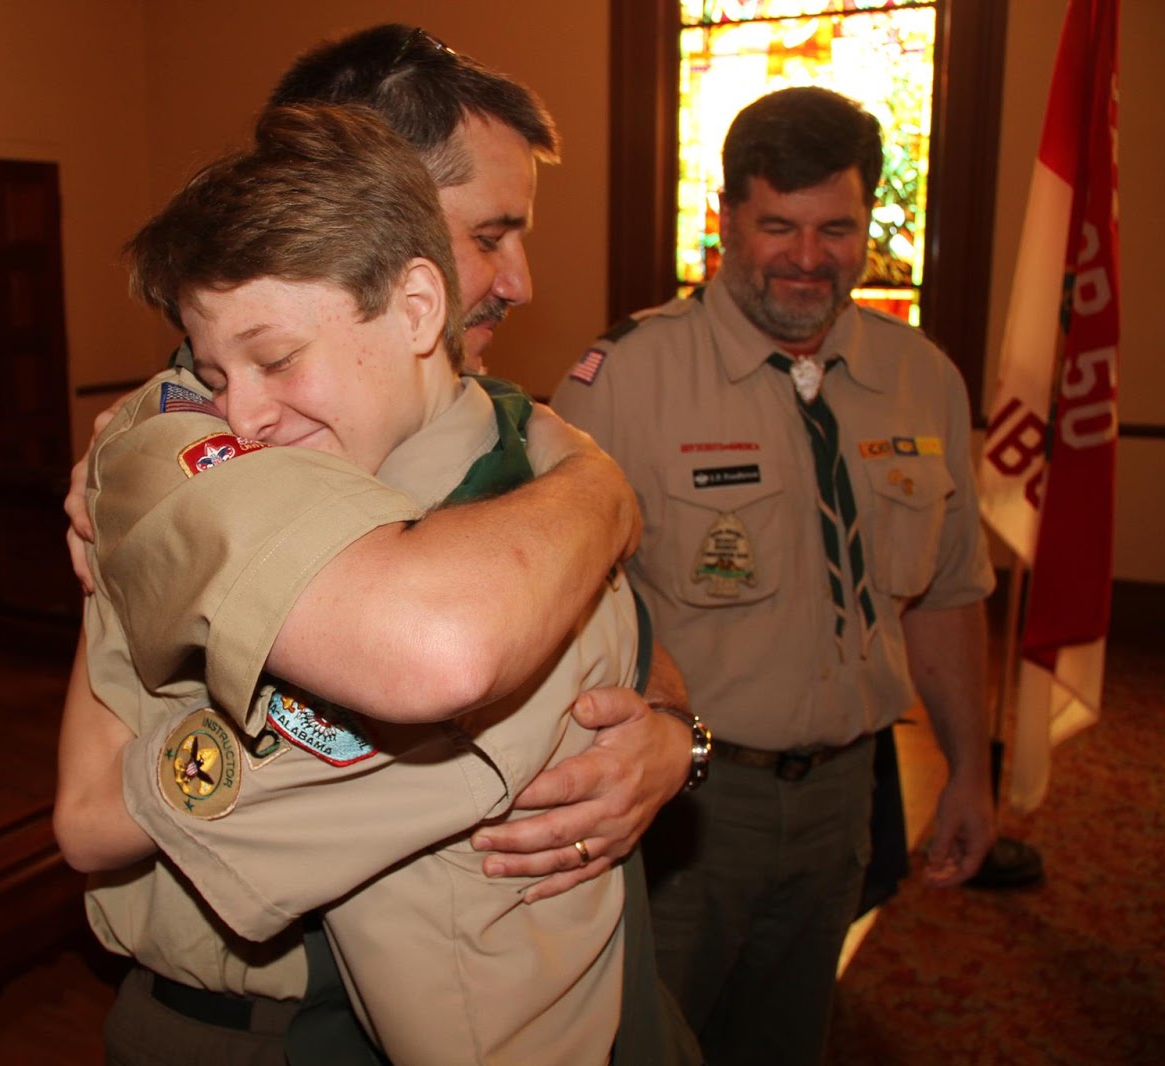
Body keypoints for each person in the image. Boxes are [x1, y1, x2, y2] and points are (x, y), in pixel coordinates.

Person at [60, 104, 698, 1066]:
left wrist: (130, 549)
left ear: (416, 308)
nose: (238, 414)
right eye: (208, 372)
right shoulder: (517, 454)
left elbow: (93, 817)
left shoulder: (470, 587)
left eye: (276, 361)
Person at [549, 85, 997, 1066]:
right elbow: (563, 619)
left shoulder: (923, 377)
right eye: (777, 226)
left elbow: (948, 594)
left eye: (835, 227)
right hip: (687, 807)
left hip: (843, 794)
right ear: (724, 221)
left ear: (868, 223)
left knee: (788, 1039)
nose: (806, 257)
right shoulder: (623, 378)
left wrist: (969, 766)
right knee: (645, 1042)